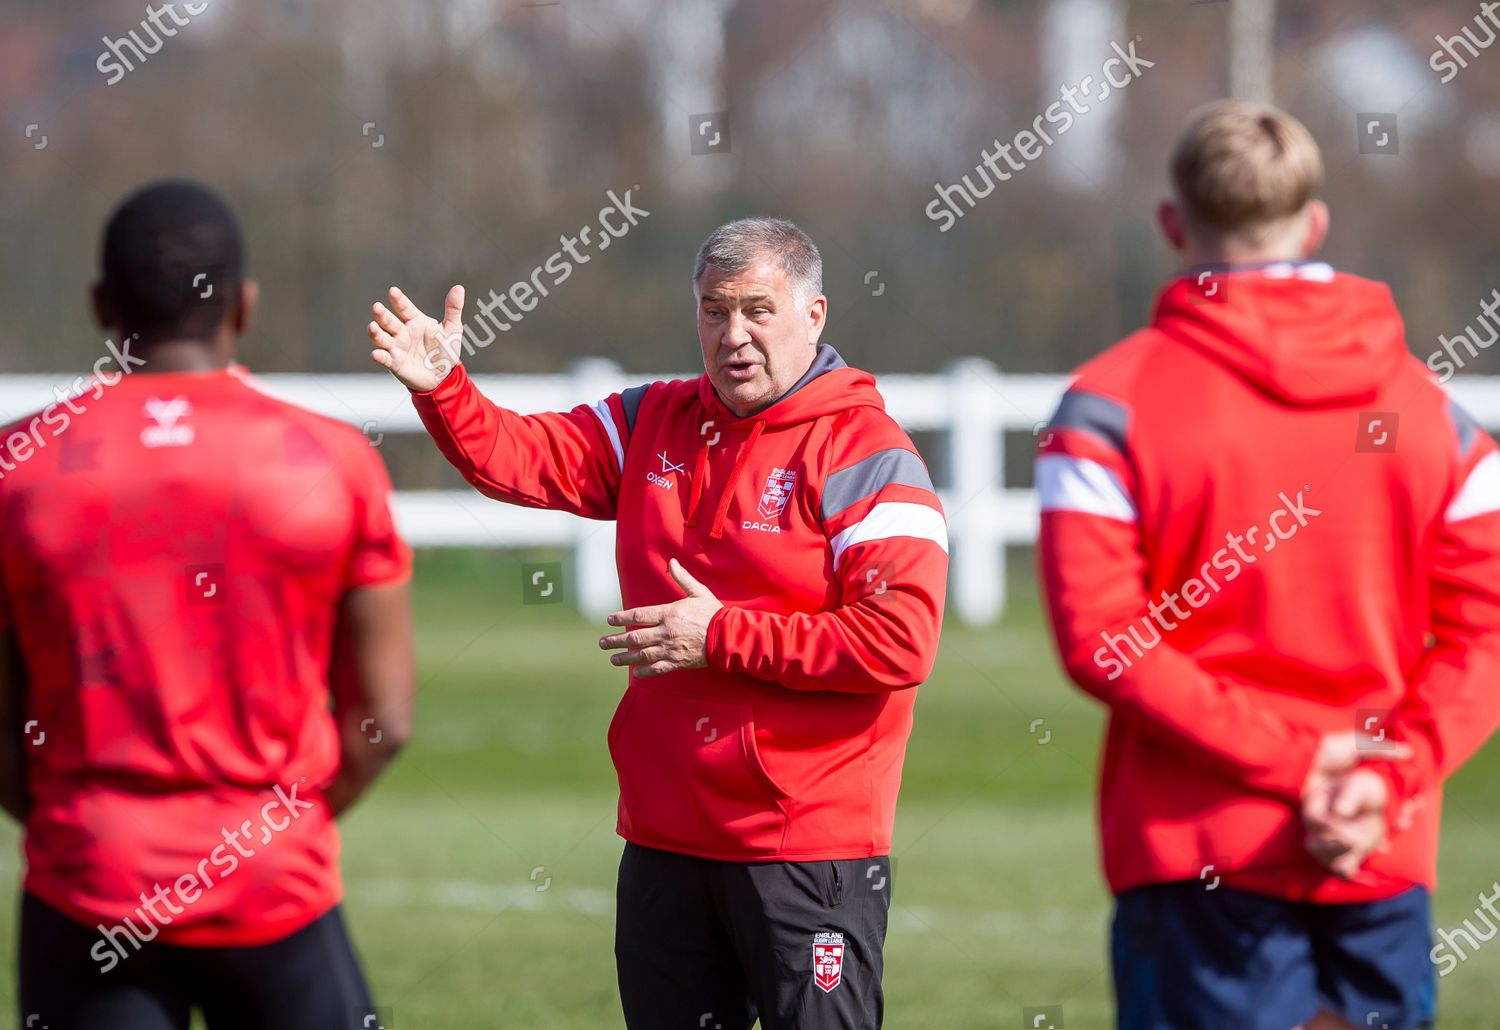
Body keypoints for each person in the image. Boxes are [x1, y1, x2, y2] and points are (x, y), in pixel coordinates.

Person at [367, 217, 948, 1029]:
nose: (733, 336)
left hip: (808, 847)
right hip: (666, 840)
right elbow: (523, 457)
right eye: (715, 311)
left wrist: (721, 635)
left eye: (757, 310)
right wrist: (444, 390)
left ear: (813, 315)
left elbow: (899, 640)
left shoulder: (867, 452)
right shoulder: (654, 419)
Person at [1036, 99, 1500, 1030]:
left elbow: (1104, 641)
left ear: (1172, 224)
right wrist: (1382, 776)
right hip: (1375, 841)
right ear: (1315, 223)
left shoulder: (1105, 408)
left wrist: (1295, 762)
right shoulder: (1439, 420)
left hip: (1199, 850)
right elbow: (1483, 636)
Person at [0, 180, 415, 1029]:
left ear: (100, 305)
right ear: (244, 305)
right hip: (274, 878)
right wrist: (280, 822)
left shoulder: (19, 467)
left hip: (87, 879)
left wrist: (79, 823)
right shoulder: (332, 459)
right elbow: (386, 721)